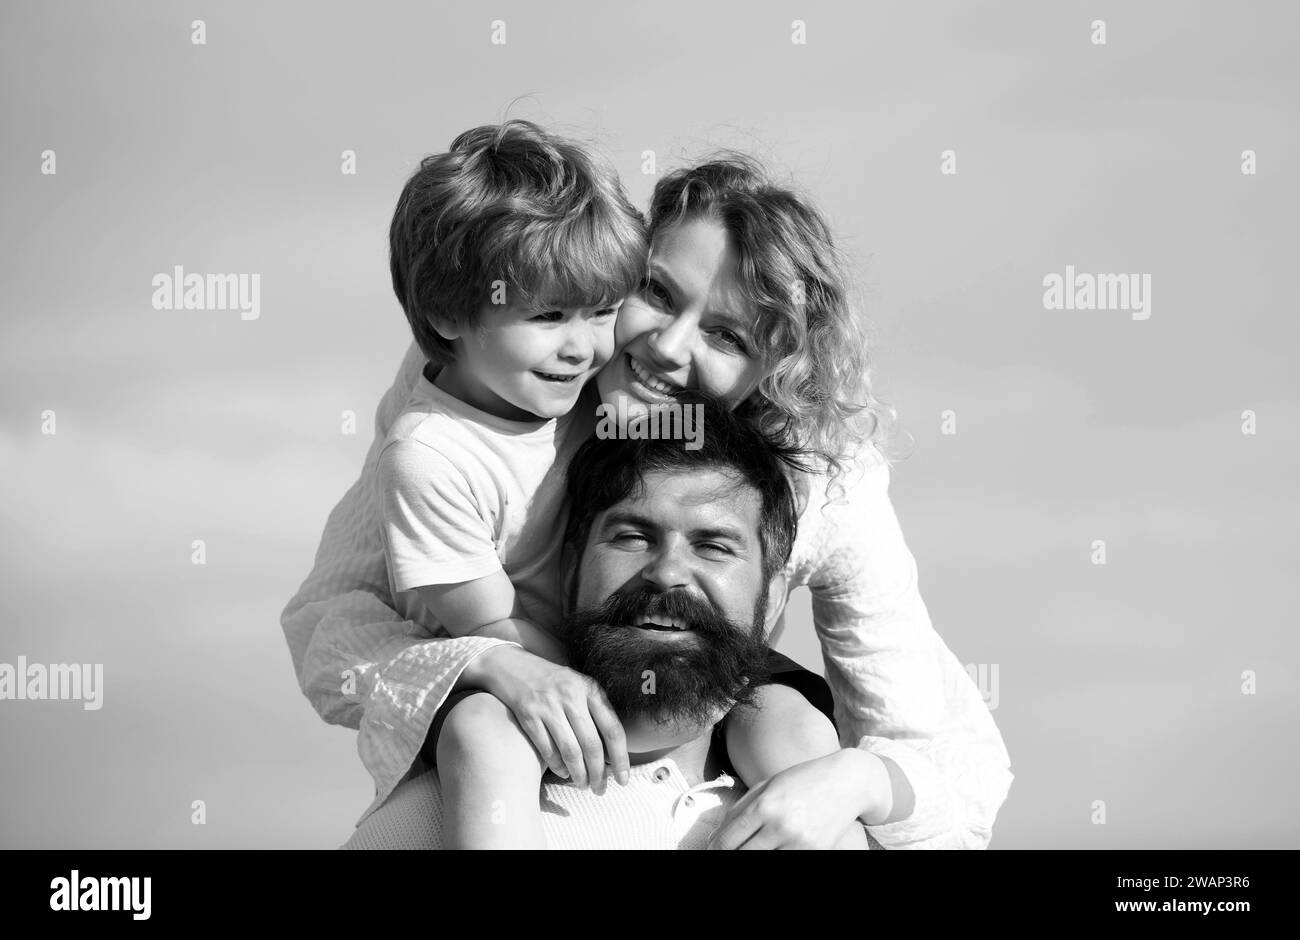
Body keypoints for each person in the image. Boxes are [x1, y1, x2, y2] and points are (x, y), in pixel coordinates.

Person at [283, 147, 1012, 850]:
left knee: (791, 727)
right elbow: (328, 625)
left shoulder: (823, 478)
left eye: (726, 335)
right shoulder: (491, 374)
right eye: (658, 293)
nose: (668, 345)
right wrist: (488, 665)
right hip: (528, 706)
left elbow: (949, 758)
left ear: (777, 369)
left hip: (704, 693)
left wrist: (852, 778)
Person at [357, 120, 857, 848]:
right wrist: (603, 677)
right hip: (527, 665)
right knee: (483, 729)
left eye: (597, 310)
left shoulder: (614, 397)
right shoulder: (436, 451)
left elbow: (923, 727)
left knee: (793, 726)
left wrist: (865, 780)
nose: (585, 344)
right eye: (552, 315)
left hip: (686, 678)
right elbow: (465, 627)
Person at [346, 399, 878, 849]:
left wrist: (864, 779)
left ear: (774, 595)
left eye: (713, 546)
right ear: (572, 567)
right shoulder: (437, 819)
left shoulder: (818, 808)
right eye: (632, 536)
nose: (668, 573)